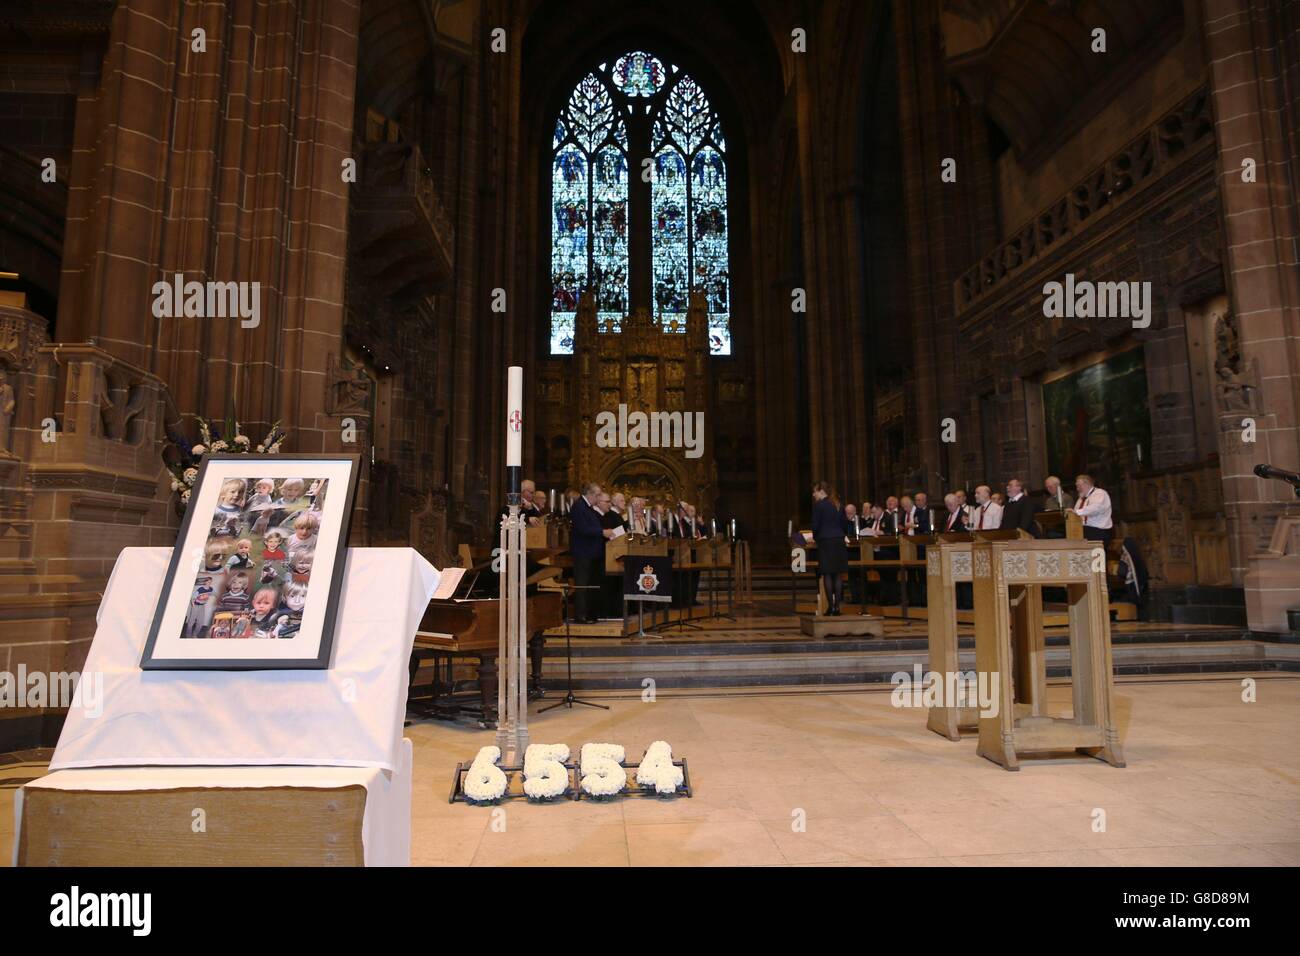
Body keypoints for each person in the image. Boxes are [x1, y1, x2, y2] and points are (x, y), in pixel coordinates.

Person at [569, 482, 607, 623]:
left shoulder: (588, 508)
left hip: (591, 553)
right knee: (582, 585)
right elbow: (583, 529)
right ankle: (580, 615)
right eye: (597, 495)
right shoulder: (579, 506)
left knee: (589, 585)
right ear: (590, 494)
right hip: (583, 552)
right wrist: (602, 532)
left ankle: (589, 614)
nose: (598, 498)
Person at [811, 480, 847, 615]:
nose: (814, 495)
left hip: (826, 541)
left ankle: (830, 607)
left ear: (821, 491)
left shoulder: (819, 505)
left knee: (827, 574)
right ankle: (837, 607)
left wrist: (815, 538)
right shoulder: (838, 504)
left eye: (815, 492)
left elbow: (815, 526)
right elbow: (844, 525)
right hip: (839, 541)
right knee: (837, 574)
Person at [1073, 474, 1114, 544]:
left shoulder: (1100, 493)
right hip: (1086, 529)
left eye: (1079, 486)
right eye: (1076, 486)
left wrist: (1076, 512)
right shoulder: (1081, 498)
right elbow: (1075, 511)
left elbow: (1095, 509)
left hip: (1099, 531)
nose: (1077, 489)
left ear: (1087, 484)